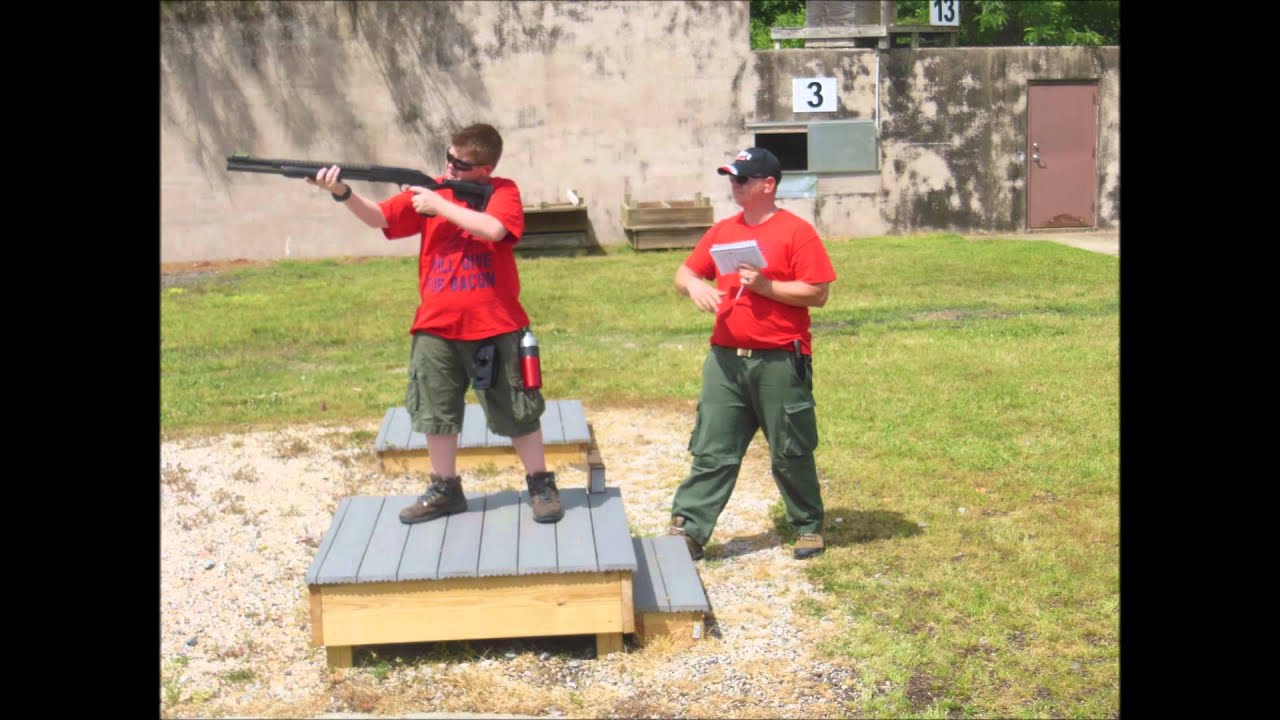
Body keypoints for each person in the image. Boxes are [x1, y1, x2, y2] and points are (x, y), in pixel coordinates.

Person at [306, 123, 562, 525]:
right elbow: (377, 218)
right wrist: (342, 192)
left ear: (485, 168)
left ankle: (540, 483)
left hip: (495, 323)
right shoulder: (431, 192)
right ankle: (445, 488)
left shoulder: (502, 191)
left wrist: (439, 204)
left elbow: (495, 229)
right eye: (449, 158)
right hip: (436, 324)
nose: (451, 168)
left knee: (518, 409)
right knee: (435, 411)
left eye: (461, 165)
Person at [668, 147, 836, 560]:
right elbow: (684, 272)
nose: (734, 185)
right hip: (725, 359)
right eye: (731, 177)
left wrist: (767, 287)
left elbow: (818, 293)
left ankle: (807, 526)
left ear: (768, 184)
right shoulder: (723, 231)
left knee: (789, 448)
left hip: (779, 358)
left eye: (742, 178)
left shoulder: (796, 232)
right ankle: (688, 529)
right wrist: (695, 287)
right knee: (712, 447)